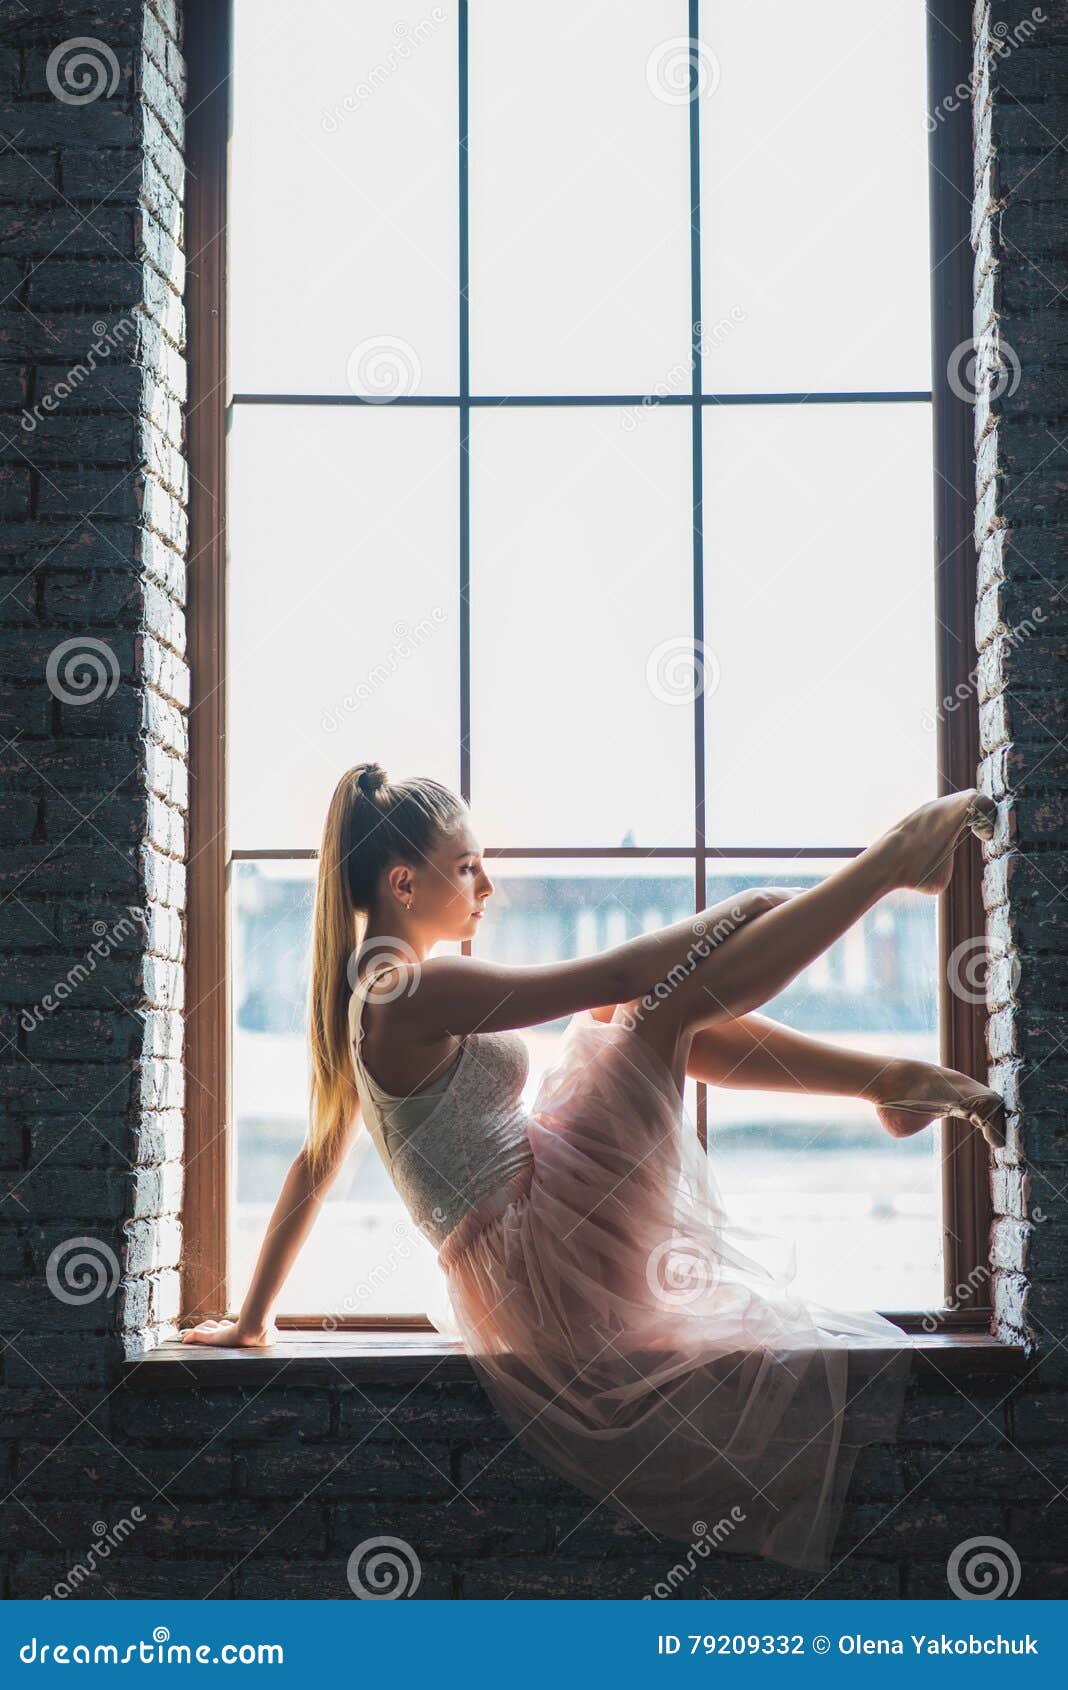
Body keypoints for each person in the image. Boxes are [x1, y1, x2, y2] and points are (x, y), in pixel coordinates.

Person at [183, 763, 1004, 1573]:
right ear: (403, 882)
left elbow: (312, 1165)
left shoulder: (373, 993)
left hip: (531, 1242)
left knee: (636, 1016)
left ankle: (890, 1081)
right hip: (553, 1257)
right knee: (656, 999)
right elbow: (613, 972)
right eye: (466, 866)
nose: (487, 887)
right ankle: (892, 863)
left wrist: (253, 1321)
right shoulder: (415, 991)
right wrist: (741, 906)